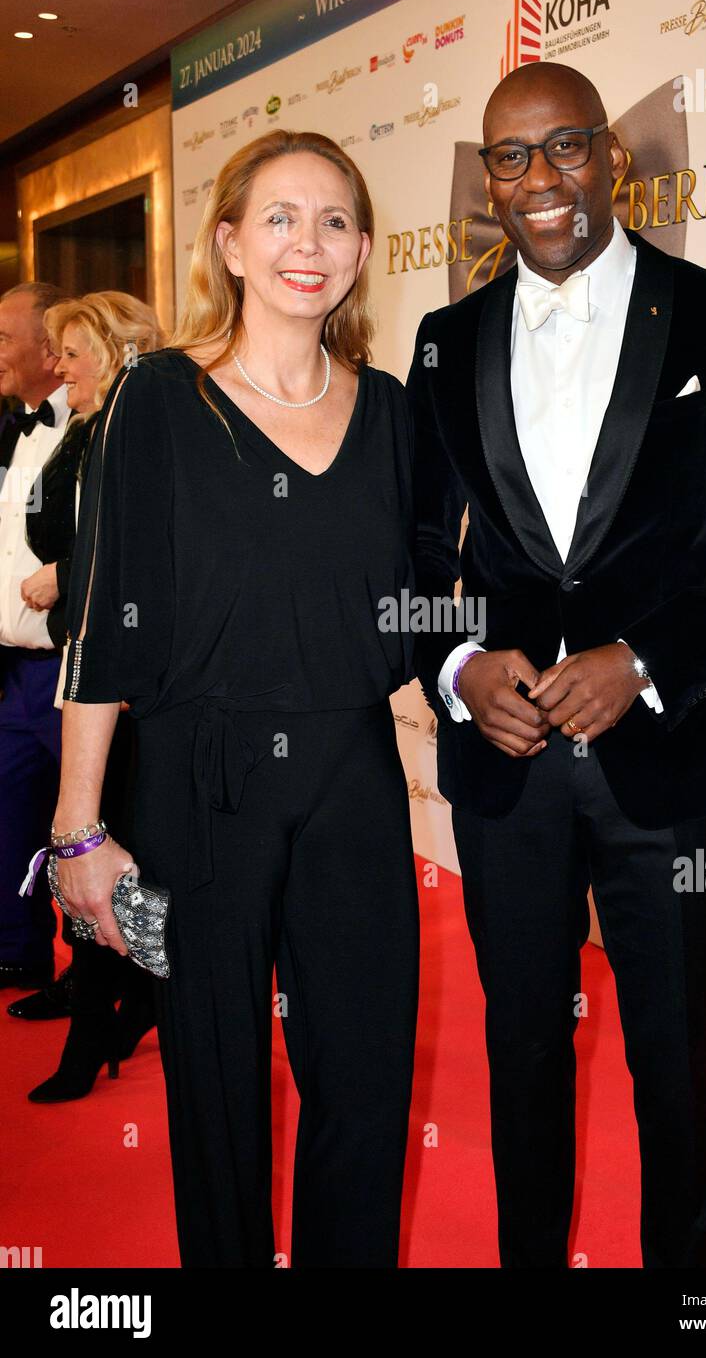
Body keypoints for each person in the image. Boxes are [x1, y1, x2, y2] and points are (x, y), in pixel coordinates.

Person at [406, 62, 706, 1268]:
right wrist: (461, 664)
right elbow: (415, 553)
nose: (539, 180)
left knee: (679, 1074)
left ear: (611, 157)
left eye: (566, 146)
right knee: (523, 1058)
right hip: (507, 776)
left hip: (672, 764)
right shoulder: (444, 344)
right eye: (510, 157)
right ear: (488, 179)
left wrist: (644, 659)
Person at [52, 130, 419, 1268]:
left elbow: (438, 601)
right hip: (197, 780)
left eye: (335, 221)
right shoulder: (158, 400)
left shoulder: (397, 412)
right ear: (228, 242)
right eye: (280, 217)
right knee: (213, 1090)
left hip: (356, 776)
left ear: (362, 251)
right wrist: (78, 827)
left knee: (364, 1076)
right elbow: (104, 619)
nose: (308, 244)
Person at [11, 293, 162, 1102]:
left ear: (114, 348)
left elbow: (137, 548)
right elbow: (56, 527)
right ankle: (124, 1002)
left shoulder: (140, 428)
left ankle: (106, 1017)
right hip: (87, 667)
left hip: (128, 683)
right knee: (98, 850)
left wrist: (68, 576)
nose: (57, 365)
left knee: (116, 853)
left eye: (72, 350)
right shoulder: (89, 429)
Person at [0, 283, 73, 992]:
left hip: (73, 667)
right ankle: (17, 949)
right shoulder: (6, 428)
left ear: (48, 349)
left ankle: (100, 982)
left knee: (86, 826)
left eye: (2, 337)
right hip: (11, 672)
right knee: (8, 815)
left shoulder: (95, 429)